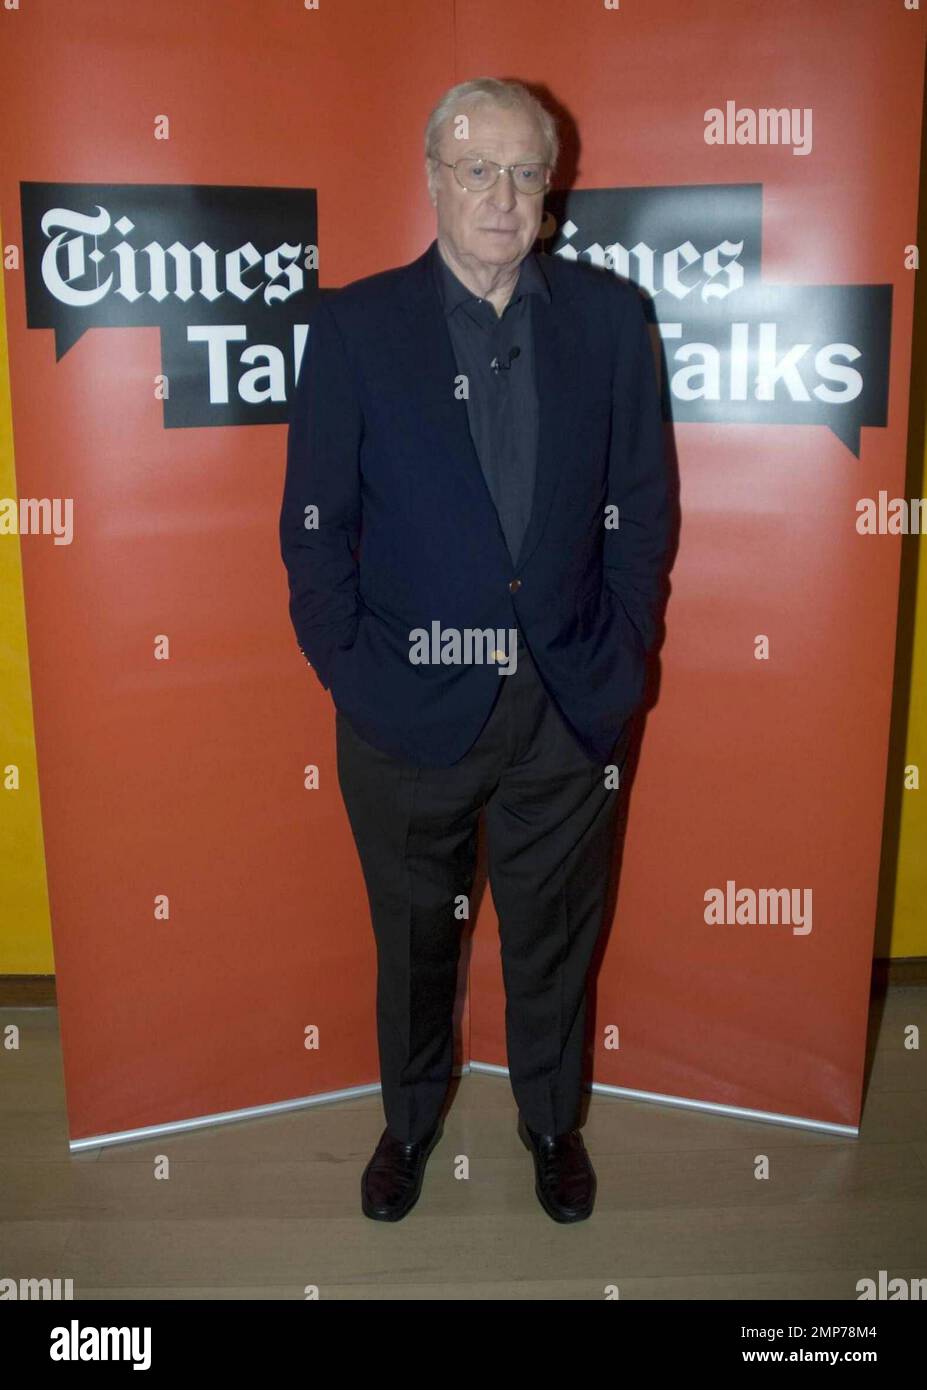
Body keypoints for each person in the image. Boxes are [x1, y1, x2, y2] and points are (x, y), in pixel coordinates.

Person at [280, 76, 669, 1223]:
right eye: (477, 169)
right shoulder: (356, 327)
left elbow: (642, 509)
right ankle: (409, 1123)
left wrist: (623, 653)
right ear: (434, 178)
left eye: (525, 172)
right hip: (406, 715)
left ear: (551, 189)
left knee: (555, 937)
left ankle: (552, 1122)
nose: (503, 196)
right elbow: (316, 531)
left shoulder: (610, 319)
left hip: (566, 705)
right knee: (413, 945)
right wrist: (358, 677)